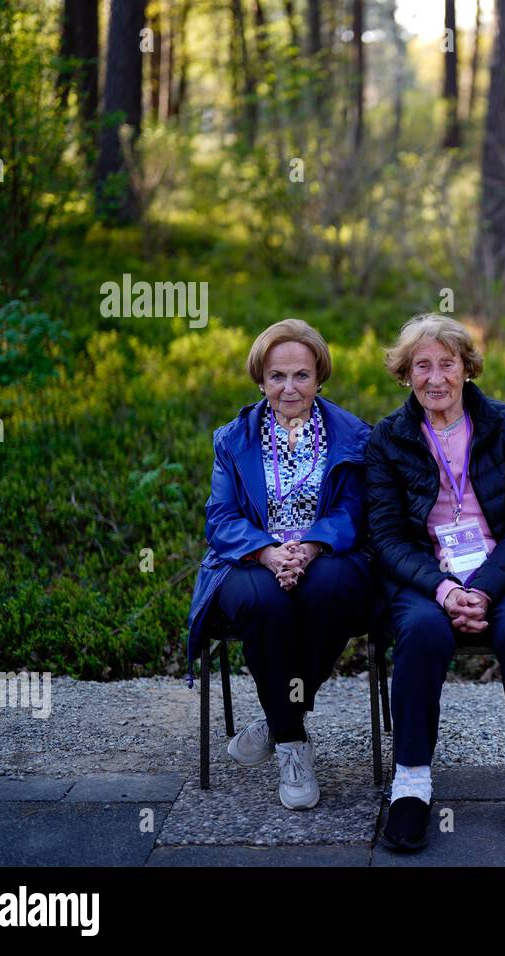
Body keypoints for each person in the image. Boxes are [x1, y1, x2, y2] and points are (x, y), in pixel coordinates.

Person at [365, 313, 505, 851]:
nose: (435, 377)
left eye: (447, 363)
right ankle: (410, 784)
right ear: (406, 373)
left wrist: (481, 588)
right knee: (423, 633)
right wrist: (443, 589)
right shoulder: (388, 439)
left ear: (466, 367)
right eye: (422, 366)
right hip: (425, 576)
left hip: (504, 570)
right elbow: (386, 536)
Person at [185, 319, 373, 811]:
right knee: (265, 600)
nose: (289, 388)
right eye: (277, 377)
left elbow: (355, 512)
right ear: (261, 380)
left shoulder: (353, 436)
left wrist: (309, 547)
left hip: (328, 557)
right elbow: (220, 519)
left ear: (320, 376)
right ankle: (293, 743)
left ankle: (275, 720)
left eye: (301, 376)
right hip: (249, 559)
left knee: (325, 589)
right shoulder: (233, 439)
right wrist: (268, 553)